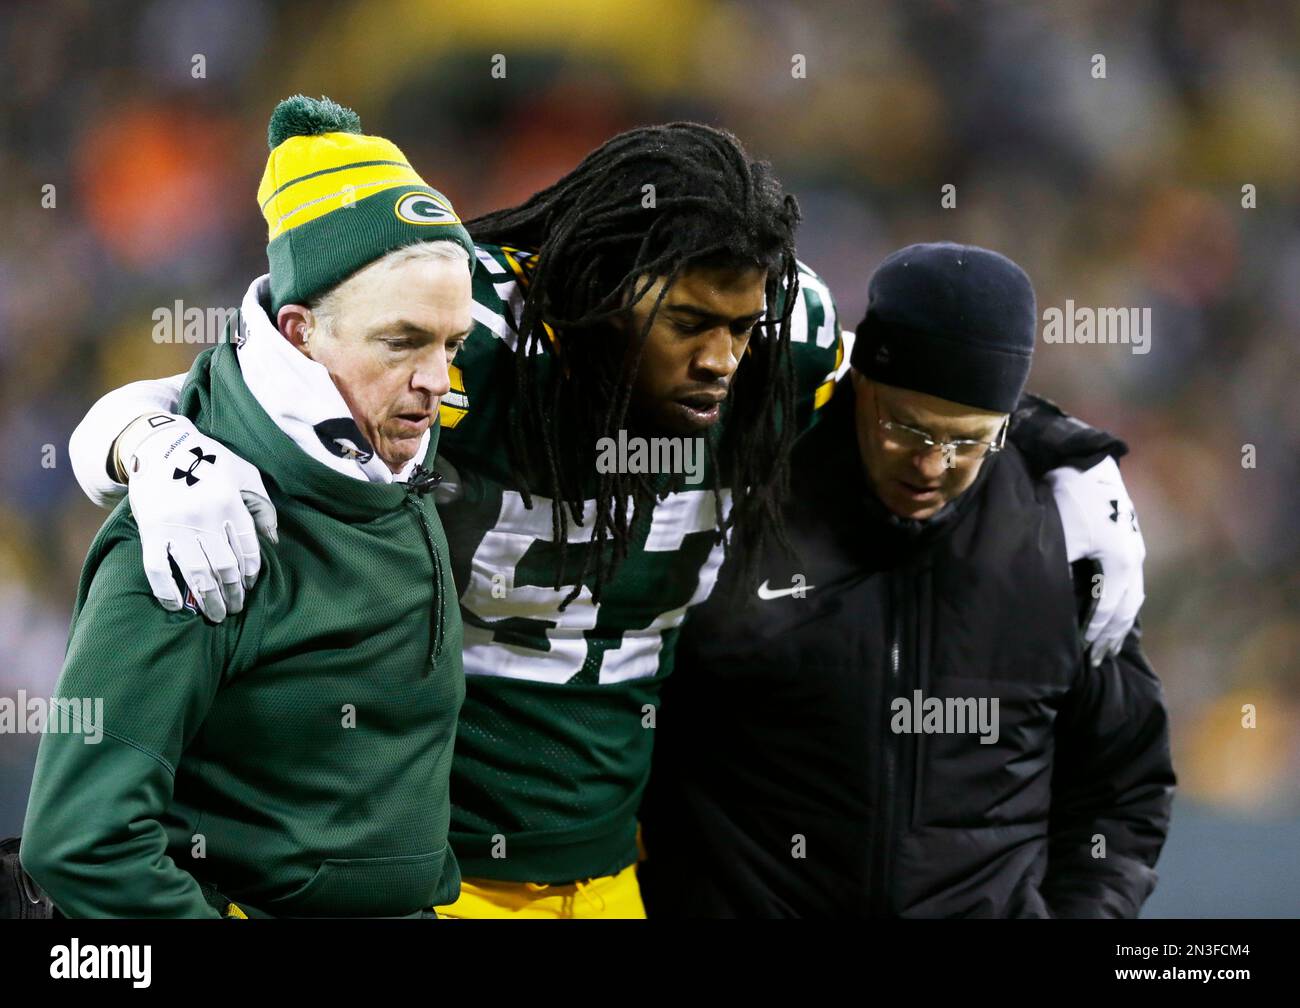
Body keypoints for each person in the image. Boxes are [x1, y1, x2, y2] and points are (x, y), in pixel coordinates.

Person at [66, 125, 1147, 917]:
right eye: (686, 323)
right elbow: (274, 390)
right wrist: (145, 442)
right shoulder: (476, 335)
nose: (724, 357)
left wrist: (1068, 459)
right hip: (422, 860)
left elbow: (913, 385)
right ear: (600, 288)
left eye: (742, 322)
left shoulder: (789, 337)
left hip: (613, 864)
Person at [21, 96, 474, 917]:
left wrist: (129, 428)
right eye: (404, 342)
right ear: (297, 333)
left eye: (453, 344)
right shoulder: (192, 534)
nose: (439, 383)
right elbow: (80, 844)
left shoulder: (392, 429)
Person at [638, 243, 1174, 918]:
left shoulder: (1066, 542)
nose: (932, 464)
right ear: (859, 378)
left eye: (969, 441)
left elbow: (1122, 787)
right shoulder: (737, 499)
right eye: (906, 427)